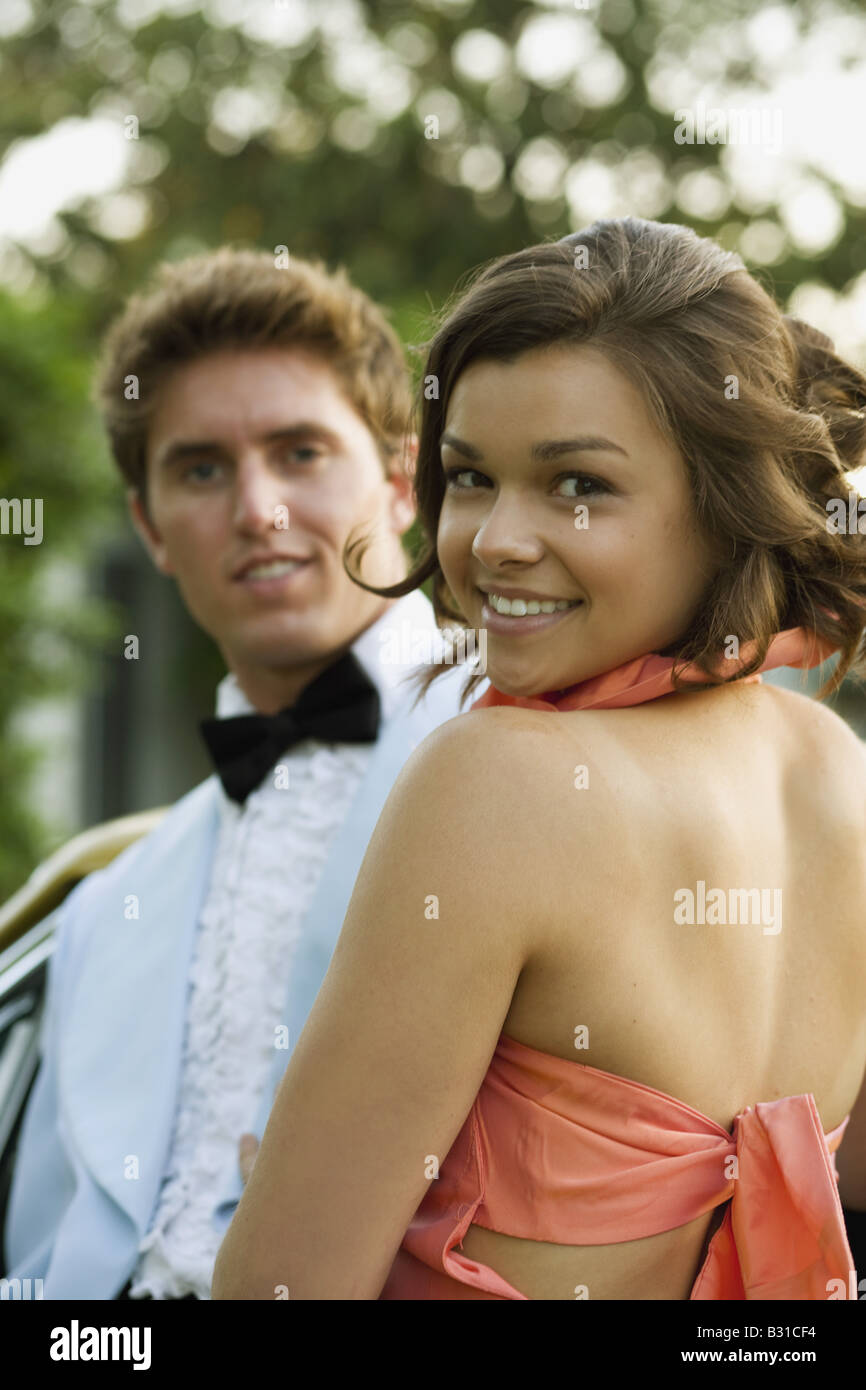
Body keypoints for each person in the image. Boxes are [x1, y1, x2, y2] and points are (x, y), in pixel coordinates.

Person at [212, 217, 866, 1301]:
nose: (496, 540)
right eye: (468, 478)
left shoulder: (497, 782)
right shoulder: (834, 771)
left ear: (720, 505)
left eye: (577, 486)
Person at [2, 247, 474, 1299]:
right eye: (202, 468)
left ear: (402, 480)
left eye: (300, 452)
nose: (257, 510)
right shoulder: (102, 898)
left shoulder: (525, 750)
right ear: (148, 527)